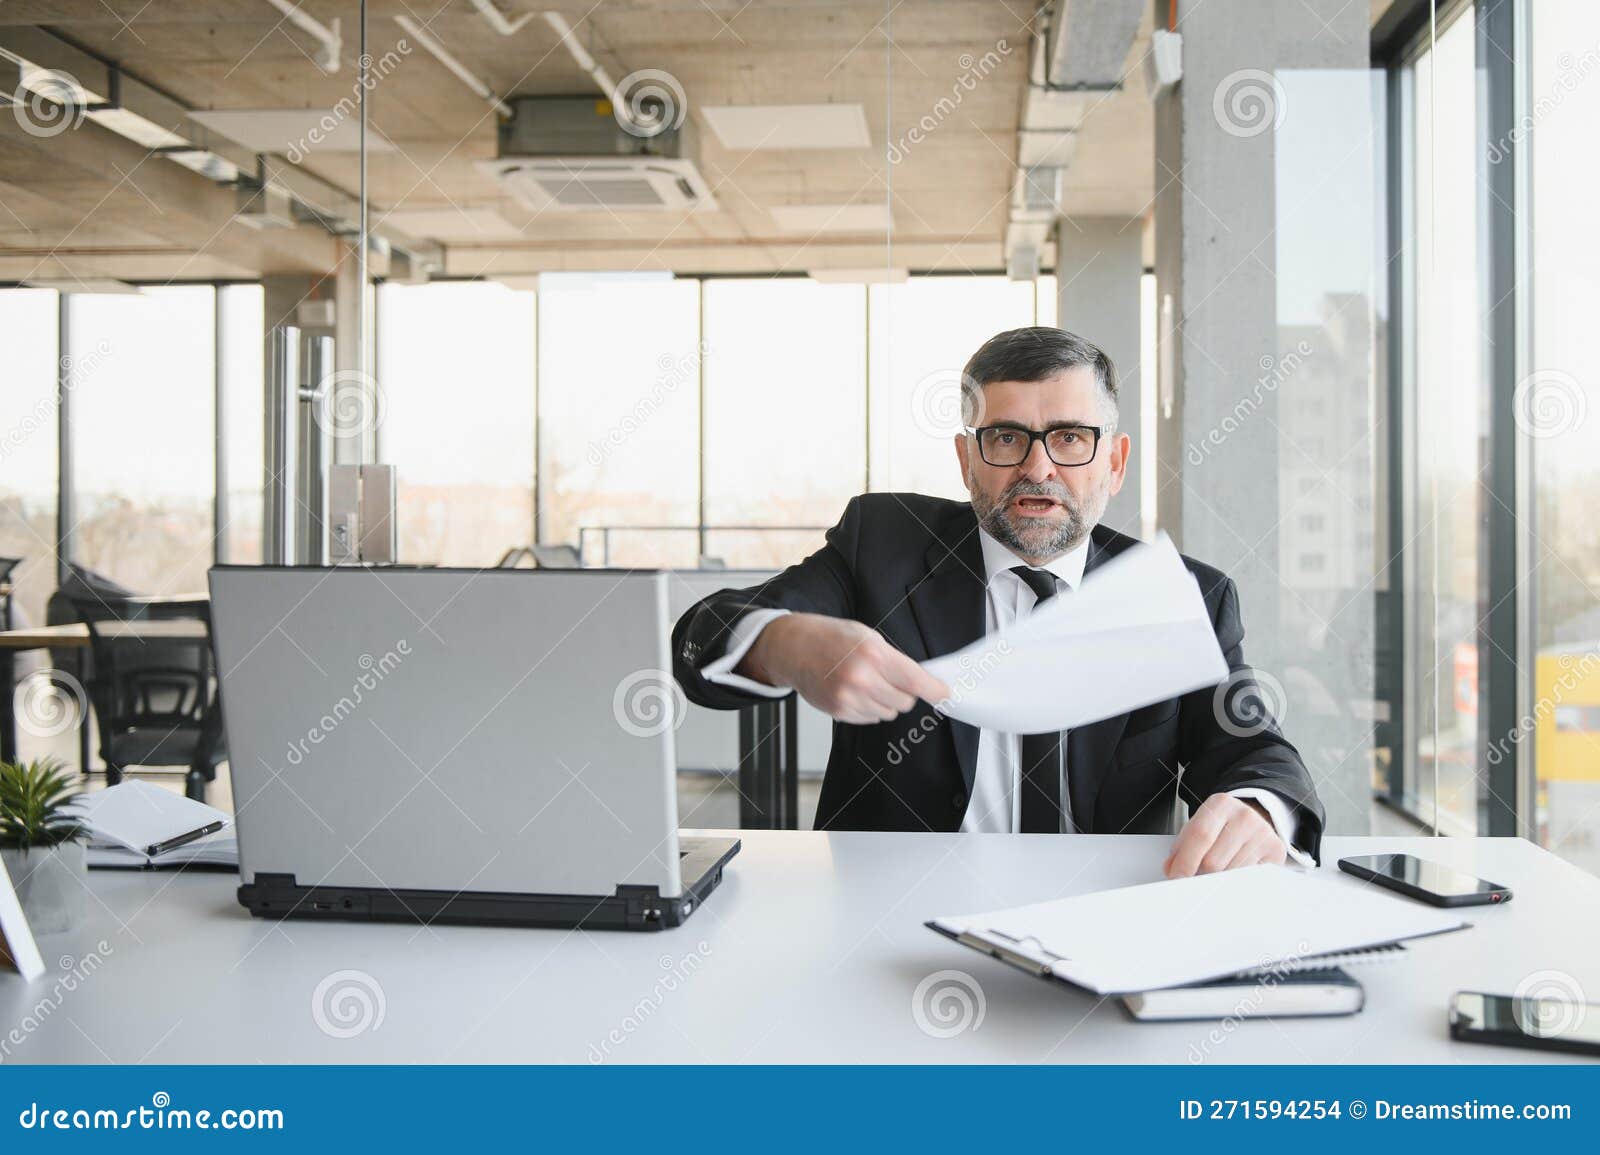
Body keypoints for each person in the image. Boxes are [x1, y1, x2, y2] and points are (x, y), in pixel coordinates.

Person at [672, 327, 1323, 875]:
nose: (1037, 469)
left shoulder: (1185, 596)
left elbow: (1257, 752)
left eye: (1070, 438)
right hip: (891, 920)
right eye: (1007, 438)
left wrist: (1261, 807)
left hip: (1104, 920)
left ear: (1115, 462)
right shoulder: (882, 545)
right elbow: (703, 637)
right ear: (966, 459)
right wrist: (781, 644)